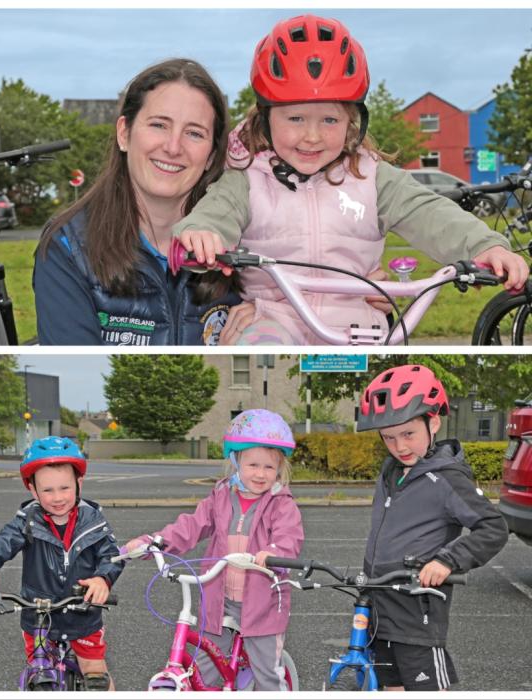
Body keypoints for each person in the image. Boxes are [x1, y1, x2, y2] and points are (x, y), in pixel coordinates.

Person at [175, 14, 529, 345]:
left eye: (329, 120)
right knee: (259, 345)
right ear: (265, 119)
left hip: (362, 321)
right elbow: (216, 211)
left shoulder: (373, 178)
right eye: (295, 119)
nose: (312, 136)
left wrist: (485, 247)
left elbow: (430, 213)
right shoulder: (247, 178)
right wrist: (205, 235)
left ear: (352, 123)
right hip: (274, 317)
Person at [34, 59, 247, 346]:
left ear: (210, 155)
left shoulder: (246, 237)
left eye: (194, 133)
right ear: (124, 133)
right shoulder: (67, 246)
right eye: (159, 125)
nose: (173, 147)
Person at [124, 409, 303, 690]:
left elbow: (289, 538)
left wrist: (273, 553)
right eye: (253, 465)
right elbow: (191, 526)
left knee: (267, 672)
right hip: (219, 598)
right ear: (235, 461)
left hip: (262, 603)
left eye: (269, 467)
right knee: (203, 667)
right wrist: (153, 542)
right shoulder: (221, 496)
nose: (260, 474)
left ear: (279, 469)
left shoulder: (281, 504)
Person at [356, 365, 508, 690]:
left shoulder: (448, 479)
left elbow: (492, 527)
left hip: (416, 614)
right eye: (388, 437)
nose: (399, 446)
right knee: (388, 687)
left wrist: (447, 560)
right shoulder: (391, 471)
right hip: (377, 606)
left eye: (408, 434)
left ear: (434, 422)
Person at [0, 437, 123, 691]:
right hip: (38, 616)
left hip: (83, 615)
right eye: (47, 490)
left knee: (97, 677)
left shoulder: (93, 520)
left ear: (79, 484)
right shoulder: (26, 521)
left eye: (64, 488)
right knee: (38, 673)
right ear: (33, 490)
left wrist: (102, 579)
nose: (57, 497)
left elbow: (111, 556)